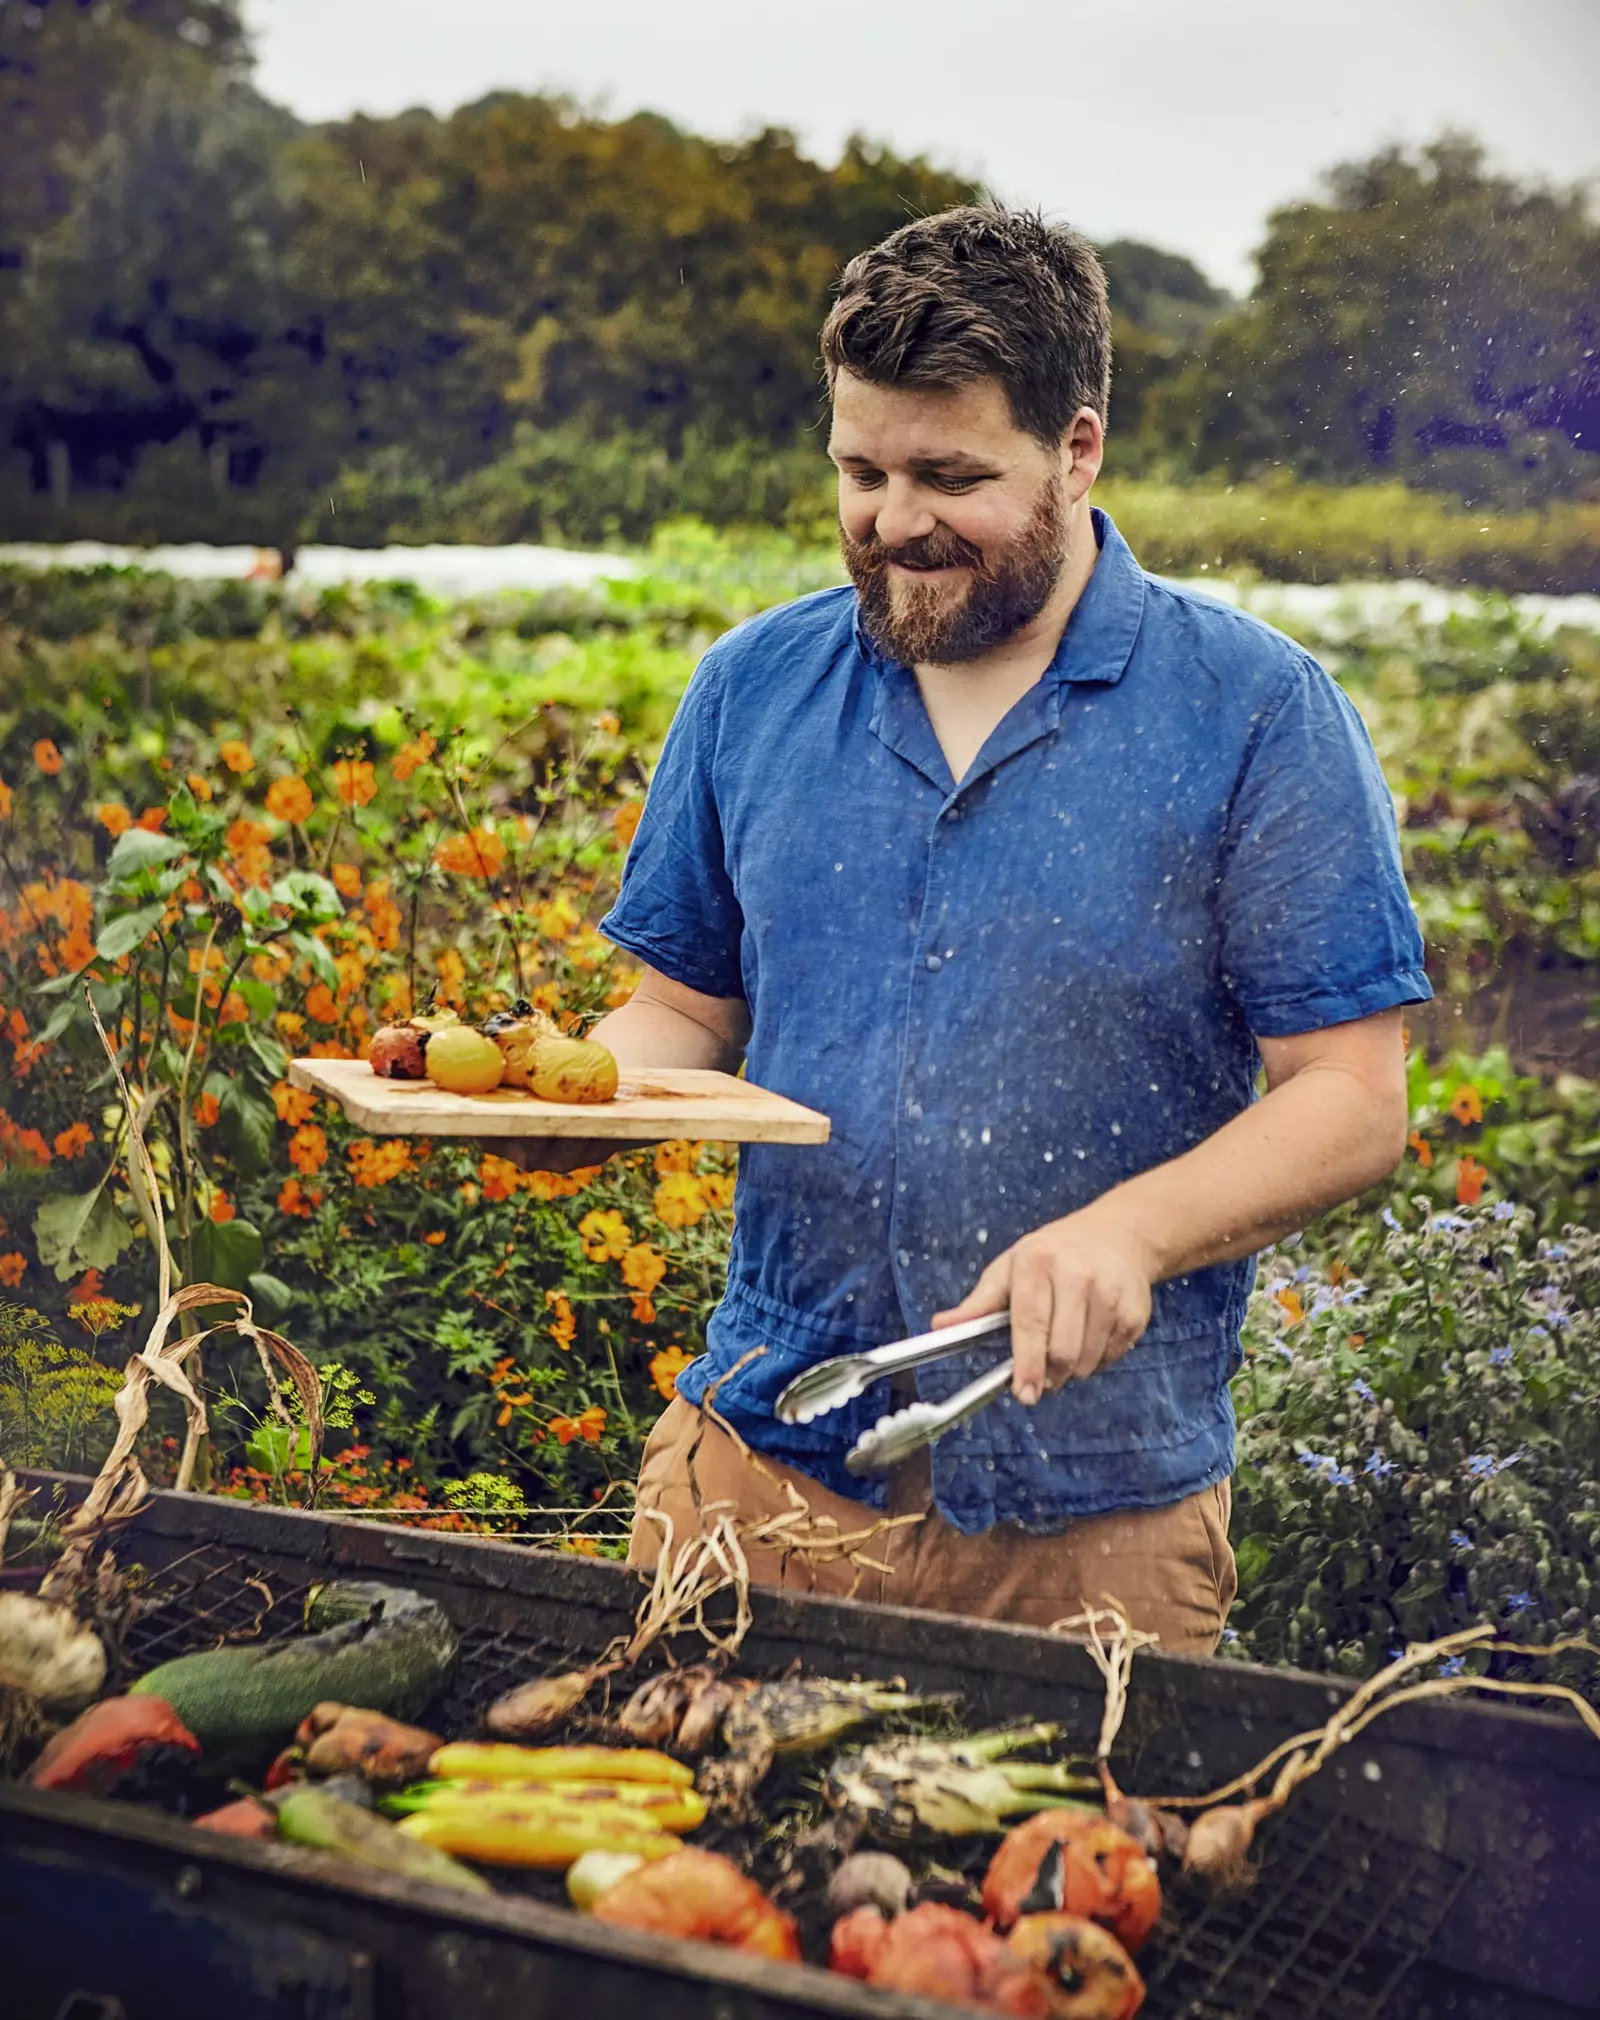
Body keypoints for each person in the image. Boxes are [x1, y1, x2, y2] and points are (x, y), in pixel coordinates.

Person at [500, 206, 1430, 1653]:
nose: (892, 518)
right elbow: (681, 1014)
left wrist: (1131, 1229)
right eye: (859, 471)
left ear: (1076, 448)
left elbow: (1354, 1095)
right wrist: (567, 1091)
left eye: (950, 473)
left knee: (1056, 1887)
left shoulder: (1257, 713)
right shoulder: (752, 688)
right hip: (752, 1477)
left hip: (1093, 1531)